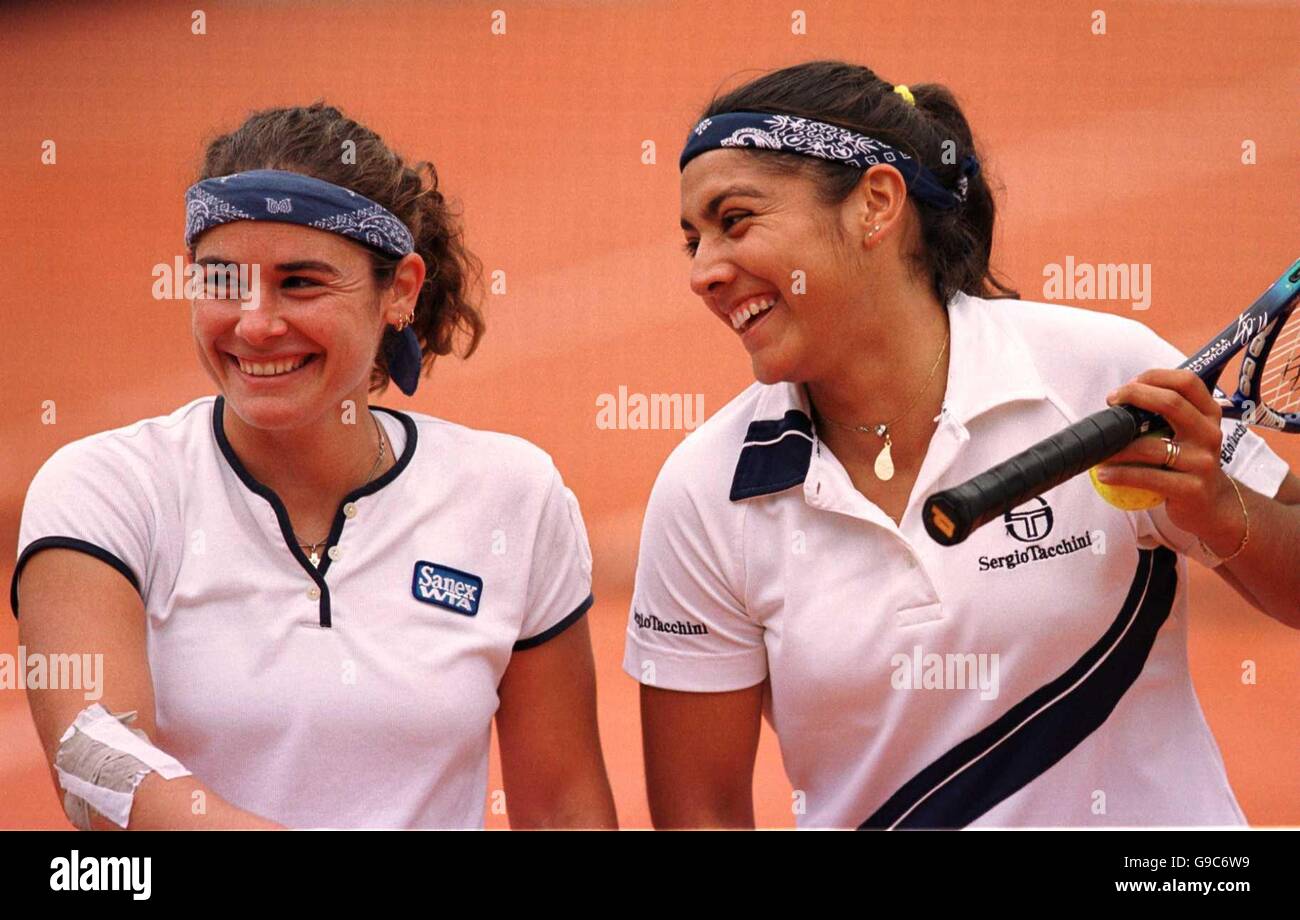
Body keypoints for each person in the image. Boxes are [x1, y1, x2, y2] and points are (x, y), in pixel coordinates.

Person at [623, 60, 1300, 828]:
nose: (704, 273)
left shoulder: (1099, 373)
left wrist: (1219, 509)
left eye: (735, 220)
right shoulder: (705, 492)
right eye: (693, 242)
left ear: (876, 204)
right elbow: (700, 815)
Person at [13, 102, 617, 830]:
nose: (256, 323)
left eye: (300, 283)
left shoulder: (510, 495)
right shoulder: (104, 489)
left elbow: (562, 809)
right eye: (222, 282)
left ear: (398, 290)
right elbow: (92, 760)